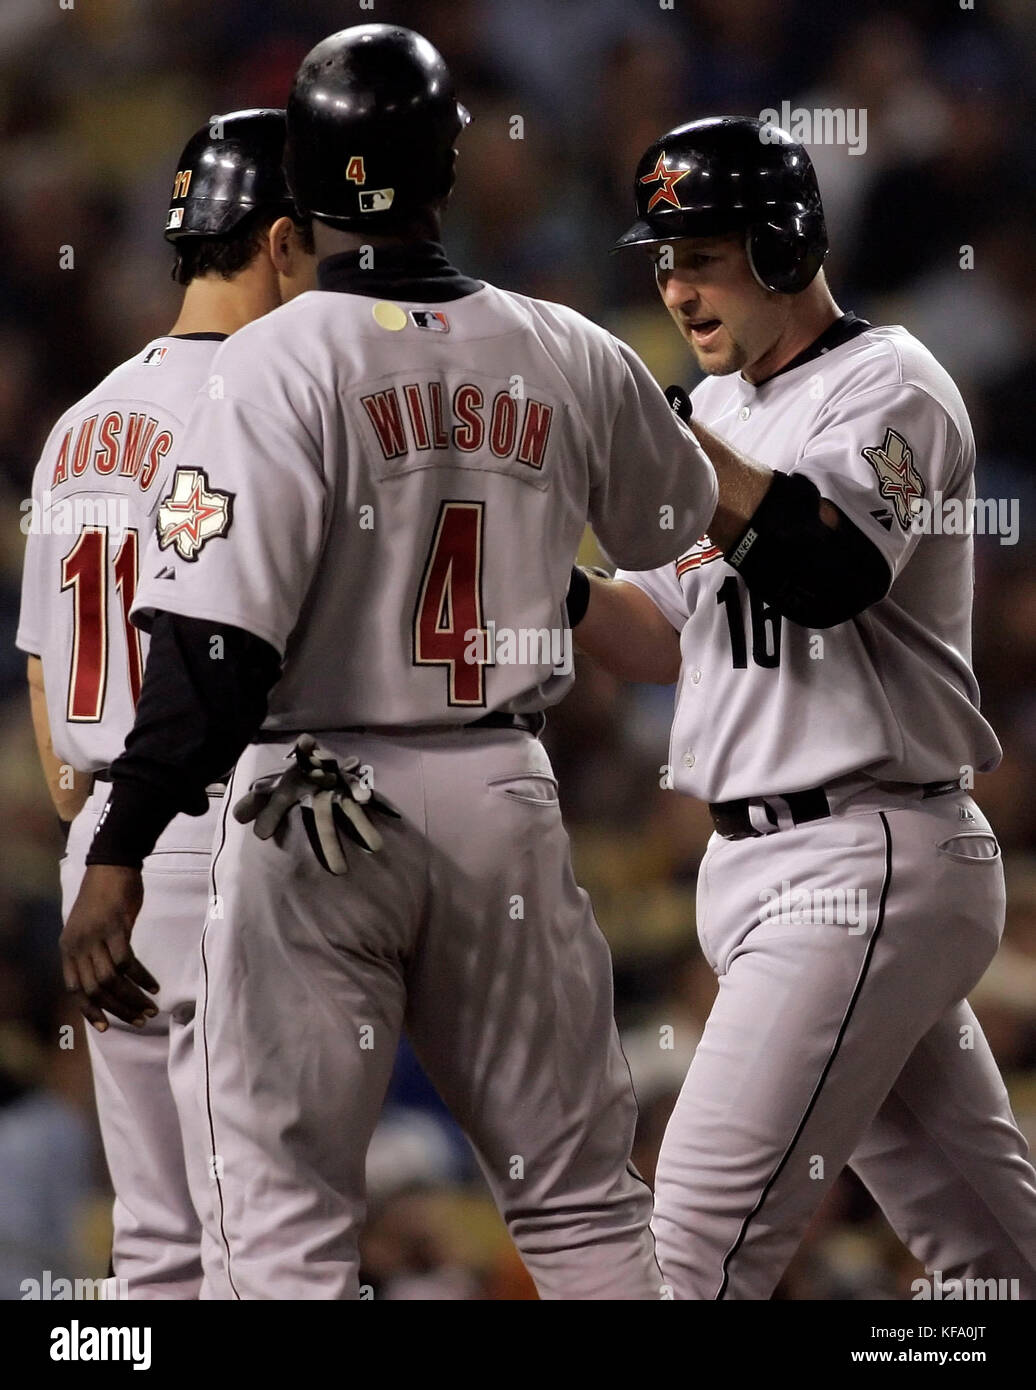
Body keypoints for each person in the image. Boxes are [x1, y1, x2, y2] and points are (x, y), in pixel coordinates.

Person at [60, 25, 720, 1300]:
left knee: (286, 1236)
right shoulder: (565, 342)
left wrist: (123, 843)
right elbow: (676, 520)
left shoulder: (268, 361)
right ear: (448, 168)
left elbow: (215, 643)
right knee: (583, 1209)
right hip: (499, 789)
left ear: (303, 183)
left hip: (311, 802)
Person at [571, 116, 1036, 1299]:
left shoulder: (892, 384)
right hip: (771, 871)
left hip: (865, 850)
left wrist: (656, 435)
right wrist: (524, 570)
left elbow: (825, 571)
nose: (674, 286)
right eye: (660, 258)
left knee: (682, 1263)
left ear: (782, 249)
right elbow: (654, 633)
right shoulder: (717, 415)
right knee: (988, 1255)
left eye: (702, 253)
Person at [16, 109, 316, 1298]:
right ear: (278, 243)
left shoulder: (77, 420)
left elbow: (43, 667)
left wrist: (90, 827)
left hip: (101, 845)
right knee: (266, 1223)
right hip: (209, 827)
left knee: (154, 1239)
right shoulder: (259, 402)